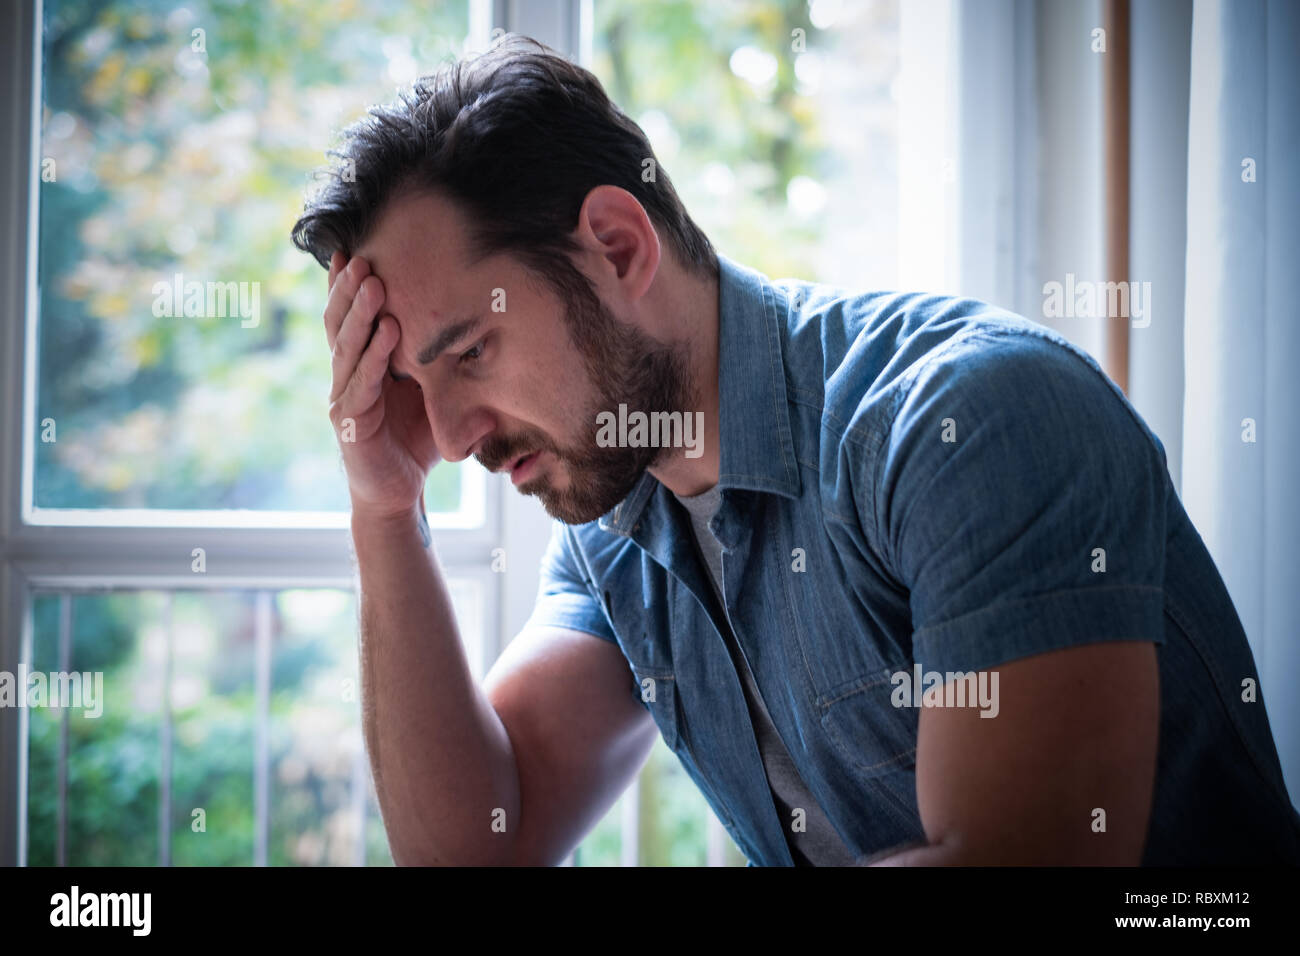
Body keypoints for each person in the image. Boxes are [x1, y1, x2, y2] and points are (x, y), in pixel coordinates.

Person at [290, 35, 1300, 866]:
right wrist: (384, 509)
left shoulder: (967, 423)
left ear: (619, 246)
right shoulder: (621, 528)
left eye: (470, 351)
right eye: (419, 386)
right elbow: (477, 846)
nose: (456, 433)